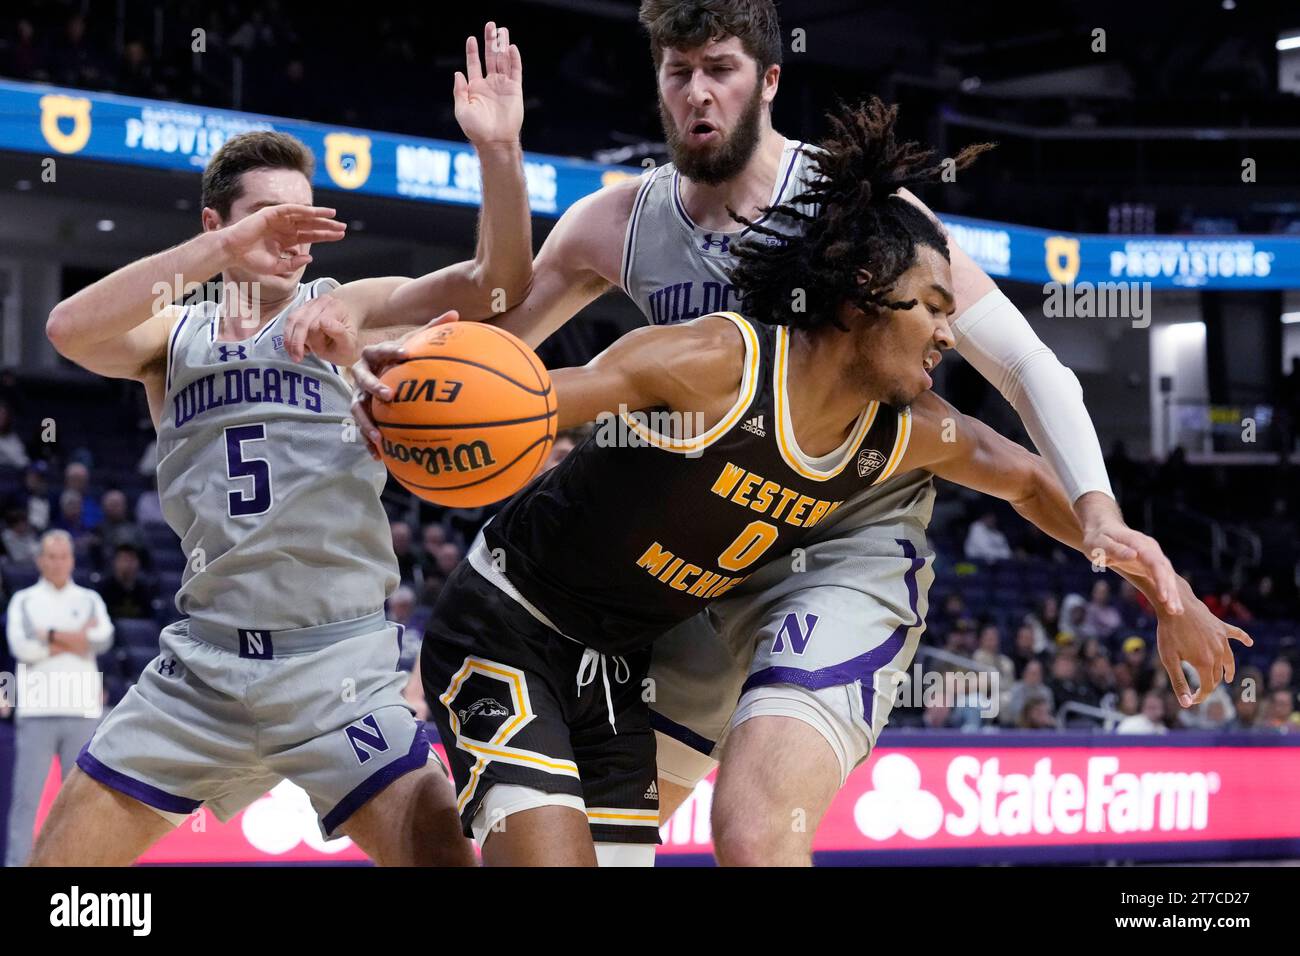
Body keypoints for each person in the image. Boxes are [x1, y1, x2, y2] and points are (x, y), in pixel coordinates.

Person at [348, 1, 1238, 865]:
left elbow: (1024, 369)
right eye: (679, 72)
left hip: (847, 526)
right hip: (698, 558)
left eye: (721, 70)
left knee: (758, 827)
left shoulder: (866, 216)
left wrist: (1105, 519)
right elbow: (496, 371)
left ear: (769, 79)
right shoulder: (619, 224)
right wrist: (410, 379)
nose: (699, 93)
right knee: (586, 833)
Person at [28, 23, 529, 867]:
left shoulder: (350, 305)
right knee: (59, 883)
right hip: (201, 671)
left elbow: (499, 284)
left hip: (339, 669)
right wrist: (222, 252)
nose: (292, 235)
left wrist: (500, 152)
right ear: (215, 223)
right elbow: (65, 328)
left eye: (306, 216)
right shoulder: (170, 336)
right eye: (268, 216)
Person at [5, 530, 114, 866]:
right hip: (37, 710)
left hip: (81, 709)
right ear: (40, 560)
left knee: (79, 802)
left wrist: (49, 636)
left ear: (72, 559)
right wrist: (75, 639)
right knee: (27, 801)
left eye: (63, 556)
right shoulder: (23, 600)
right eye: (50, 556)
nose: (56, 562)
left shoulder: (89, 599)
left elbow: (103, 638)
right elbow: (21, 647)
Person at [96, 544, 158, 620]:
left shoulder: (144, 591)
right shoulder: (104, 589)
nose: (128, 565)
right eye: (124, 560)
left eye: (131, 560)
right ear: (115, 562)